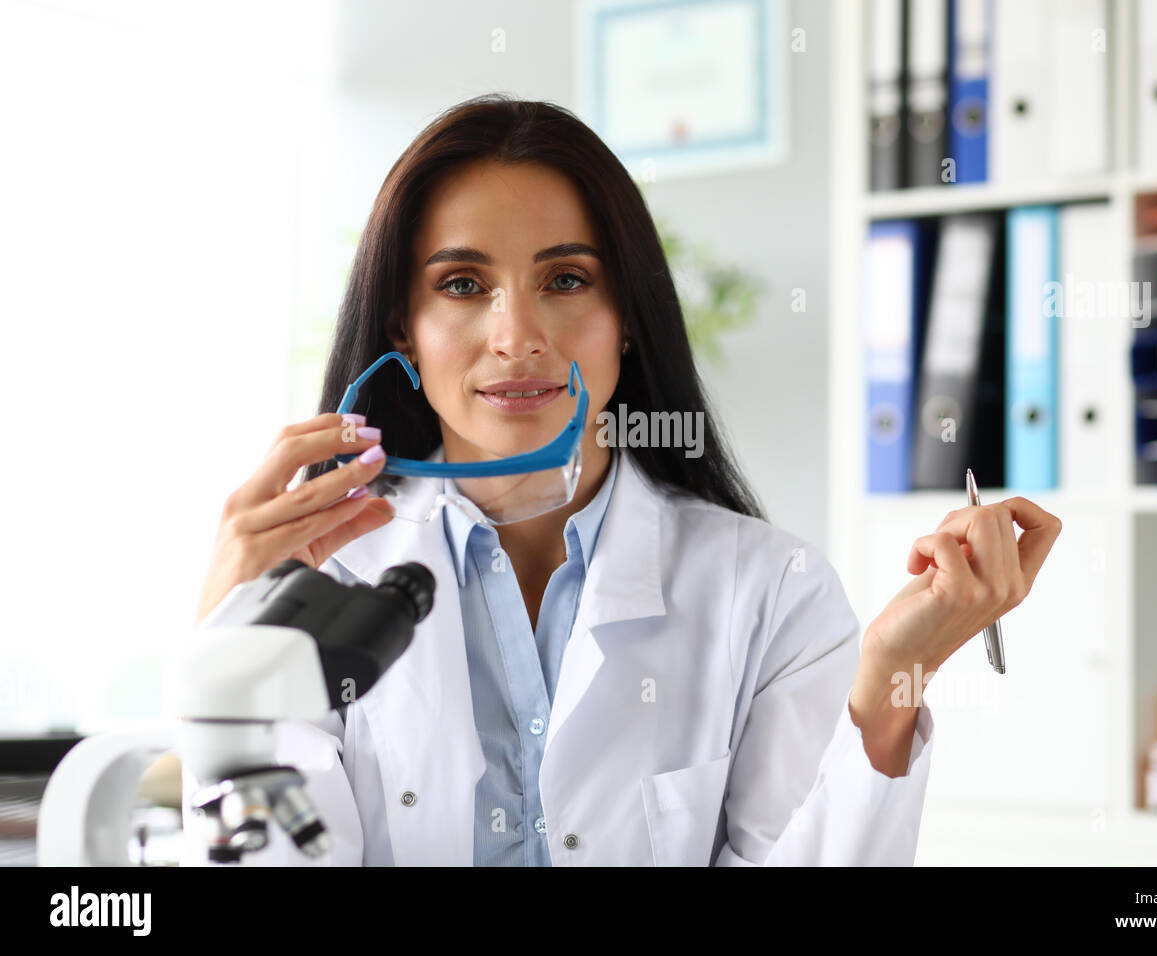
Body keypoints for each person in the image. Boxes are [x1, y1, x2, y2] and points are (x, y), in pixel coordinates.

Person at [190, 93, 1062, 866]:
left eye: (566, 279)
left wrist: (892, 681)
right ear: (404, 331)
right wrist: (225, 666)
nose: (518, 334)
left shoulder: (771, 592)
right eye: (463, 284)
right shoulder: (320, 583)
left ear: (628, 320)